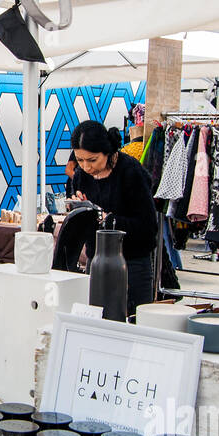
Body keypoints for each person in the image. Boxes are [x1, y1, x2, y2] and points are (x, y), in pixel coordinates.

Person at [69, 120, 159, 316]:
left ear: (107, 151)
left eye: (92, 160)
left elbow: (148, 226)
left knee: (132, 321)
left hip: (131, 264)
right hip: (95, 260)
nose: (86, 166)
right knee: (96, 319)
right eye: (80, 160)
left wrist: (108, 219)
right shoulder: (81, 176)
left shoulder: (131, 172)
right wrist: (78, 211)